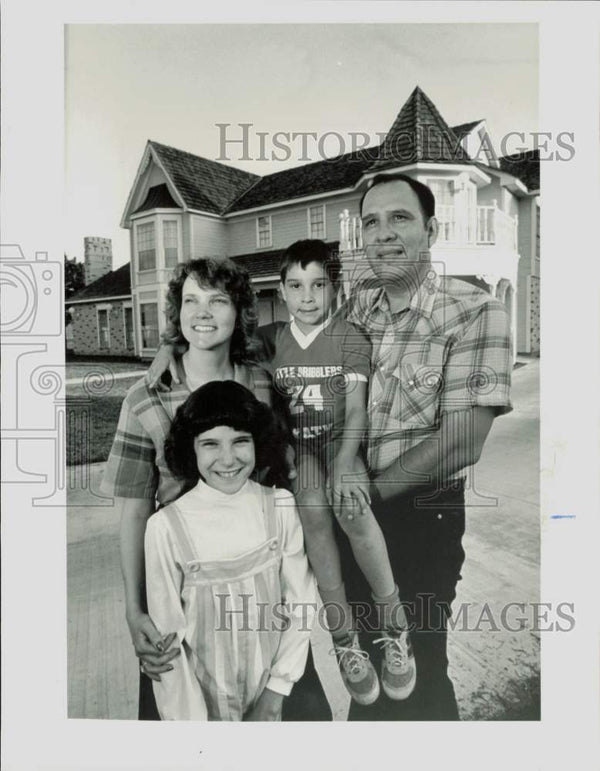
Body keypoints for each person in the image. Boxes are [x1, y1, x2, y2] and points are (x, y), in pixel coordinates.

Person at [101, 257, 331, 721]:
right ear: (177, 312)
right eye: (191, 301)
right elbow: (134, 512)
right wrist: (135, 610)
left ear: (240, 311)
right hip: (187, 592)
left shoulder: (263, 383)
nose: (202, 312)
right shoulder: (146, 397)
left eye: (217, 301)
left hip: (262, 586)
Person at [337, 172, 513, 720]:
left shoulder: (476, 310)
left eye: (400, 218)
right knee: (370, 671)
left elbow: (463, 440)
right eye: (371, 222)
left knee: (422, 669)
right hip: (355, 511)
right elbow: (310, 380)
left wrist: (364, 497)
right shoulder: (354, 309)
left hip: (422, 518)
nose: (383, 233)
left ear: (431, 230)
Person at [256, 240, 416, 705]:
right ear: (281, 291)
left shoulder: (349, 336)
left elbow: (356, 410)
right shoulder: (270, 339)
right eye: (296, 286)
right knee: (310, 506)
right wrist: (166, 349)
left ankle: (395, 623)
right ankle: (344, 637)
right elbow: (208, 338)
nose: (307, 297)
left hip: (339, 440)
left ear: (335, 288)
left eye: (318, 285)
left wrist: (347, 461)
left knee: (352, 507)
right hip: (300, 445)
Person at [145, 380, 316, 721]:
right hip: (201, 711)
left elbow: (301, 604)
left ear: (257, 441)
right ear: (190, 448)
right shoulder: (165, 527)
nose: (227, 459)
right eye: (210, 444)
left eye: (240, 441)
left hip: (274, 701)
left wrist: (275, 694)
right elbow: (168, 644)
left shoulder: (279, 506)